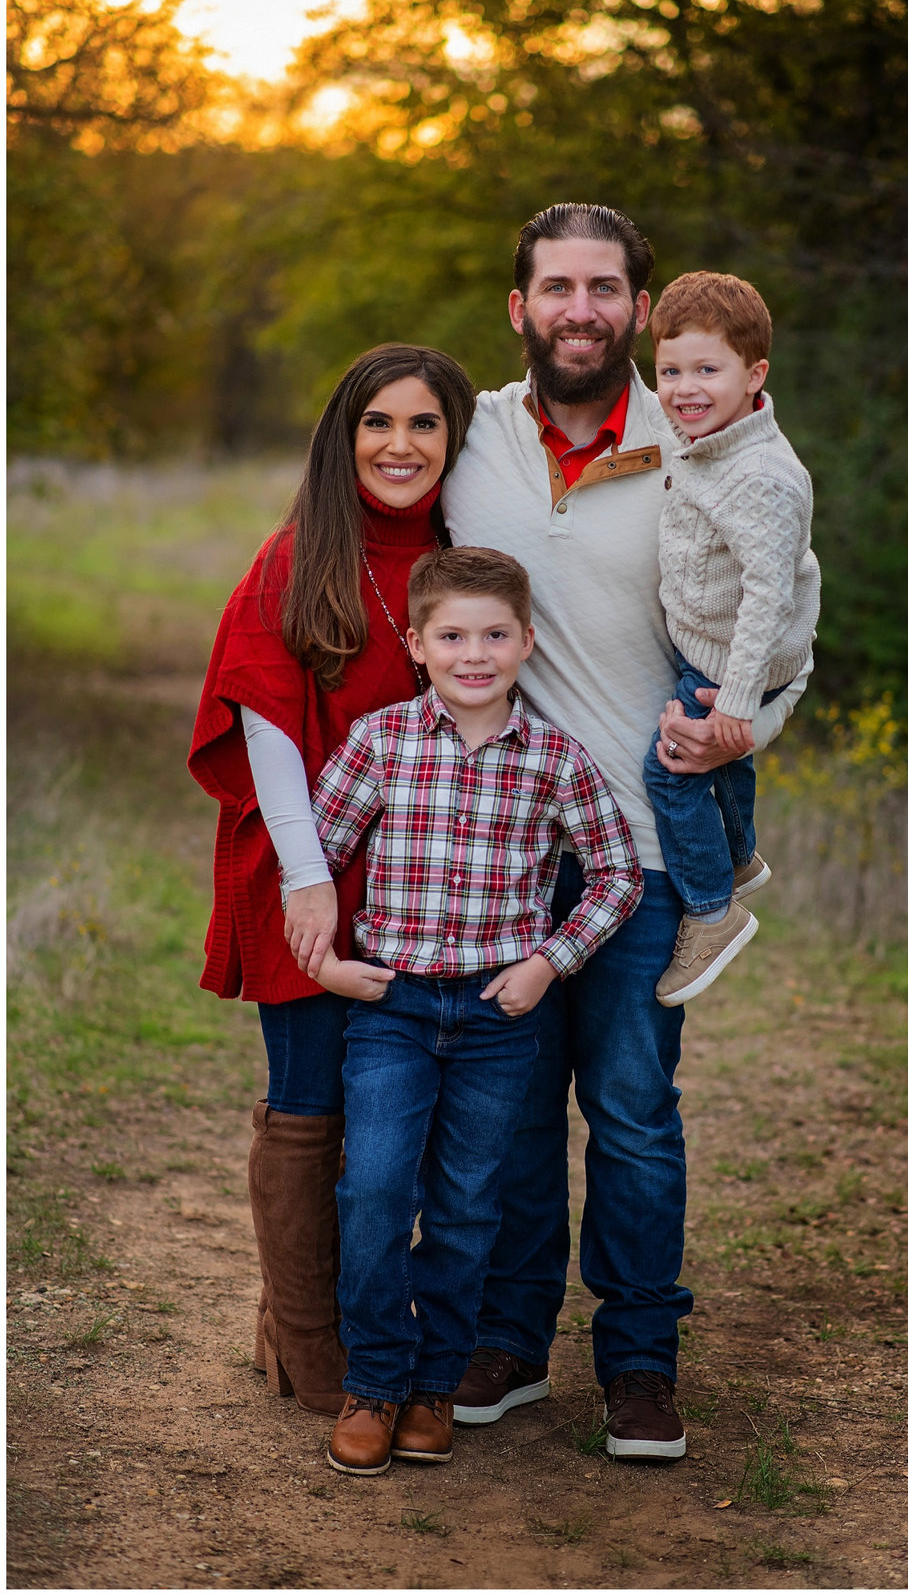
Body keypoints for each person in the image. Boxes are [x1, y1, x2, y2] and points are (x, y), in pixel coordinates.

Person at [440, 203, 812, 1460]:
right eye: (558, 286)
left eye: (606, 286)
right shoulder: (471, 438)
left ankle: (641, 1359)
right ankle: (507, 1334)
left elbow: (790, 614)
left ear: (641, 311)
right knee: (513, 1110)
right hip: (500, 850)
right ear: (521, 308)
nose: (581, 308)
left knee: (636, 1109)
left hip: (642, 850)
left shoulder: (701, 437)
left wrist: (746, 727)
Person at [301, 547, 642, 1476]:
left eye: (495, 635)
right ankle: (374, 1379)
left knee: (464, 1205)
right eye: (452, 636)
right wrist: (329, 967)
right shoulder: (381, 743)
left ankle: (432, 1387)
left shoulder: (555, 761)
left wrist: (549, 961)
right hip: (394, 1009)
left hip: (500, 1016)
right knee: (374, 1189)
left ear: (528, 643)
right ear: (416, 644)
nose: (474, 654)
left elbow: (614, 877)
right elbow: (313, 857)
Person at [188, 343, 475, 1416]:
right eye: (377, 423)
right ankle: (308, 1340)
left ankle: (411, 1332)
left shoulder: (464, 555)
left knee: (407, 1113)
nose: (400, 445)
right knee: (311, 1101)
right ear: (342, 436)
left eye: (424, 425)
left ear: (453, 443)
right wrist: (309, 883)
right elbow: (265, 724)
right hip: (305, 855)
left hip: (434, 877)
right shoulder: (302, 553)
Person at [644, 271, 820, 1007]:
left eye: (706, 370)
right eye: (670, 371)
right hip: (715, 652)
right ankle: (740, 854)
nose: (685, 388)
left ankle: (713, 911)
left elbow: (767, 594)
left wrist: (739, 703)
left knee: (674, 770)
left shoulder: (761, 475)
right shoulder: (704, 438)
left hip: (739, 662)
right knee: (718, 772)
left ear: (755, 375)